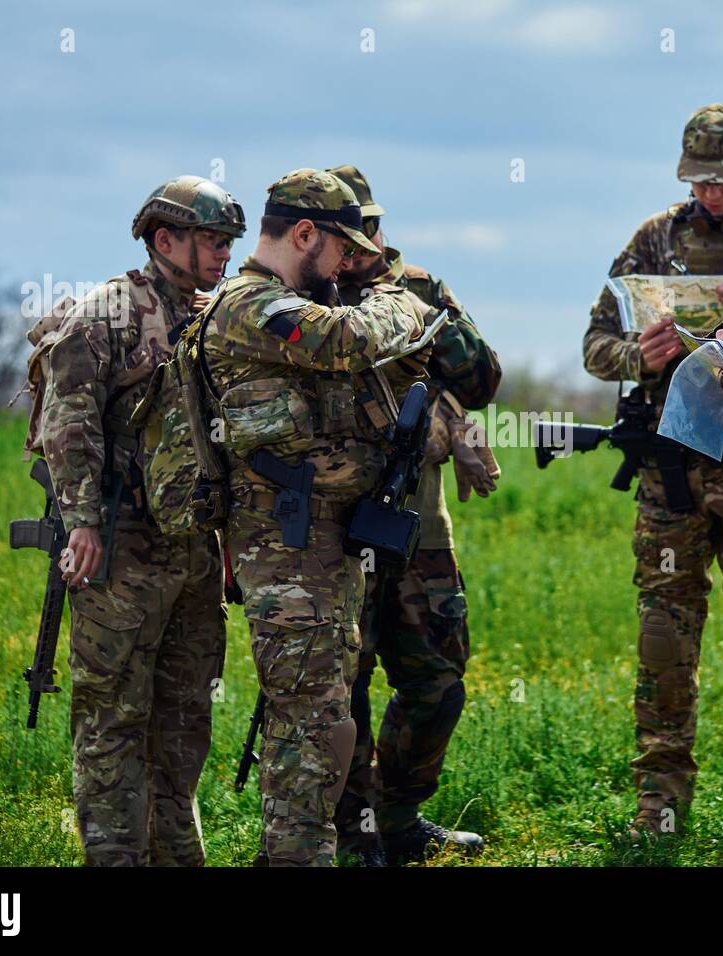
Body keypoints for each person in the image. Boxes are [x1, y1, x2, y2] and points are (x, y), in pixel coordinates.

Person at [201, 168, 425, 866]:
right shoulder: (250, 306)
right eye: (337, 248)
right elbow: (347, 341)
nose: (347, 263)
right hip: (286, 555)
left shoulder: (287, 301)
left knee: (322, 727)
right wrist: (404, 304)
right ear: (303, 234)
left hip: (322, 550)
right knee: (308, 733)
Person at [582, 103, 723, 839]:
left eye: (722, 181)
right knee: (665, 640)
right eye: (697, 182)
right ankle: (659, 805)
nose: (709, 195)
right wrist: (643, 355)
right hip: (671, 473)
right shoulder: (655, 239)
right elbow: (595, 343)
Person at [40, 175, 245, 865]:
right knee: (111, 724)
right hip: (120, 555)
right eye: (210, 240)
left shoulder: (209, 319)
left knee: (185, 721)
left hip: (192, 555)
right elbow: (67, 423)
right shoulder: (108, 313)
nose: (222, 254)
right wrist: (83, 524)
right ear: (165, 239)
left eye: (227, 243)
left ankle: (179, 858)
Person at [328, 164, 501, 865]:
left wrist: (415, 311)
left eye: (367, 227)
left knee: (436, 680)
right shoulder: (298, 298)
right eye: (347, 232)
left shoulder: (418, 288)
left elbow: (482, 380)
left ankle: (398, 817)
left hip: (418, 529)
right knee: (343, 689)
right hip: (332, 534)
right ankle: (356, 833)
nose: (360, 243)